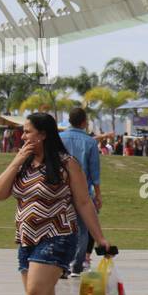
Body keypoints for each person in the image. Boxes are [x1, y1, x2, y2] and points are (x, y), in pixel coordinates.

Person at [0, 111, 111, 295]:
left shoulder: (68, 164)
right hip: (27, 239)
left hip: (58, 236)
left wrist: (99, 238)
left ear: (43, 134)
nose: (23, 136)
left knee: (35, 294)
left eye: (28, 131)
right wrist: (16, 160)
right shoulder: (23, 163)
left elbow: (83, 202)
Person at [59, 107, 102, 277]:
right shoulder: (90, 142)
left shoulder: (60, 139)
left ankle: (62, 264)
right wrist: (98, 195)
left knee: (63, 228)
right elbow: (94, 172)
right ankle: (76, 265)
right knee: (83, 230)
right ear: (84, 122)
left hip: (62, 192)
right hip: (84, 192)